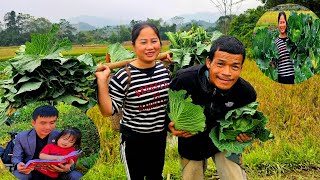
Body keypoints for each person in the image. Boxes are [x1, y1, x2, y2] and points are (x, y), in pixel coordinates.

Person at [168, 35, 257, 180]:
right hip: (192, 137)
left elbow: (250, 120)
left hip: (225, 137)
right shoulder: (184, 81)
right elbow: (167, 108)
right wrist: (169, 125)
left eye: (234, 66)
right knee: (191, 175)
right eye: (220, 64)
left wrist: (247, 132)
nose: (226, 73)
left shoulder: (246, 93)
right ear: (209, 62)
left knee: (234, 176)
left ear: (241, 67)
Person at [96, 22, 171, 180]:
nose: (150, 47)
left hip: (158, 138)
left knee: (156, 176)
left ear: (160, 42)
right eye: (143, 42)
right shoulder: (124, 76)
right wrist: (102, 82)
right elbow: (107, 111)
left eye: (154, 41)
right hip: (134, 141)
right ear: (134, 45)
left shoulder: (164, 71)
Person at [12, 105, 83, 180]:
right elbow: (16, 157)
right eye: (43, 123)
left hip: (56, 170)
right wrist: (18, 164)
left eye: (52, 123)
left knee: (76, 176)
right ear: (33, 122)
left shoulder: (61, 136)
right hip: (31, 170)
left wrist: (68, 168)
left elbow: (72, 158)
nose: (48, 127)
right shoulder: (22, 136)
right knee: (18, 176)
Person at [273, 11, 295, 84]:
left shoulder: (293, 39)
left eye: (283, 22)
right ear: (278, 24)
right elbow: (275, 64)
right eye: (280, 22)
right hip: (281, 79)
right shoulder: (275, 43)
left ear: (286, 23)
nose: (282, 25)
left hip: (294, 77)